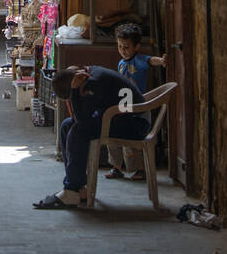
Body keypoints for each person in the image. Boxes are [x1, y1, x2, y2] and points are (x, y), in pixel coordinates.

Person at [33, 64, 150, 209]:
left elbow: (81, 120)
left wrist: (75, 91)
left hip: (135, 124)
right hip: (121, 119)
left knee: (77, 131)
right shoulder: (89, 73)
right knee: (66, 126)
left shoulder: (93, 83)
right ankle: (78, 188)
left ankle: (71, 189)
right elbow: (80, 118)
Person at [105, 23, 167, 180]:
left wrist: (161, 61)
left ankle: (139, 169)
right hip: (123, 107)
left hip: (139, 109)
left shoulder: (140, 60)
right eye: (120, 47)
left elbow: (151, 60)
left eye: (126, 47)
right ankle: (116, 167)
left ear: (137, 47)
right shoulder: (120, 64)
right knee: (112, 137)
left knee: (132, 142)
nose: (123, 51)